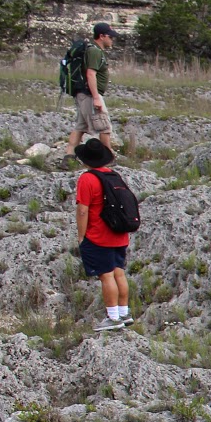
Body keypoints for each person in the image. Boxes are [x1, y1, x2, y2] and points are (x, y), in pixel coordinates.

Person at [73, 138, 132, 332]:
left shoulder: (87, 179)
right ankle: (124, 313)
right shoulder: (114, 176)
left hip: (99, 235)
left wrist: (82, 236)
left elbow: (83, 210)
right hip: (119, 234)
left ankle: (113, 317)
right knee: (118, 272)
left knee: (106, 276)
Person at [66, 22, 116, 159]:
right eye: (110, 37)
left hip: (83, 94)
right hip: (90, 94)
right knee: (105, 127)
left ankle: (68, 157)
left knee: (80, 127)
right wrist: (96, 97)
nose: (112, 40)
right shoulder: (94, 51)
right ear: (102, 36)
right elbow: (90, 74)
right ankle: (108, 158)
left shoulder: (90, 50)